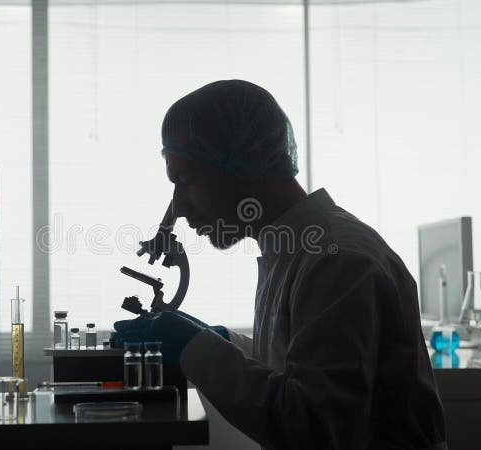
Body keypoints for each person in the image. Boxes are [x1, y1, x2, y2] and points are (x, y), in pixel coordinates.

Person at [114, 80, 447, 450]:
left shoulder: (336, 260)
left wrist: (198, 349)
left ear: (247, 162)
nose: (178, 207)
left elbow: (317, 429)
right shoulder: (296, 248)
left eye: (185, 180)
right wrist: (219, 340)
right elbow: (299, 364)